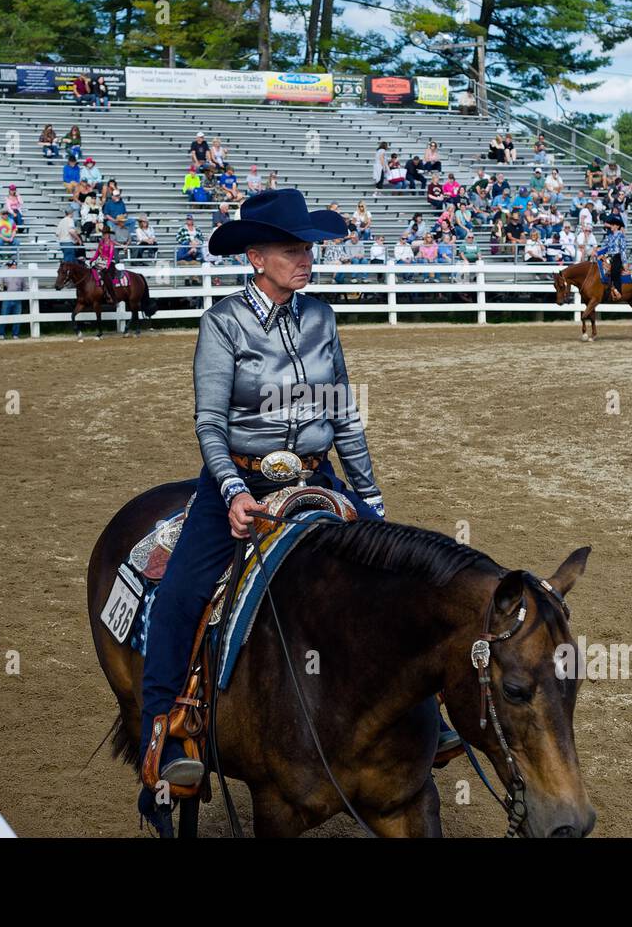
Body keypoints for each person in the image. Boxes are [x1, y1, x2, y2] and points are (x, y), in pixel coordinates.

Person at [136, 188, 398, 828]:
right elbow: (209, 424)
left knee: (391, 581)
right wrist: (230, 494)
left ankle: (420, 723)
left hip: (316, 476)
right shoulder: (223, 323)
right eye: (291, 249)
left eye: (307, 247)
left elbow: (343, 416)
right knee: (183, 593)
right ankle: (163, 737)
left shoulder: (321, 318)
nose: (305, 259)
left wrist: (370, 499)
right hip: (242, 483)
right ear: (256, 257)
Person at [595, 214, 629, 301]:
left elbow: (623, 250)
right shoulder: (609, 237)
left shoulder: (621, 236)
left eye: (613, 225)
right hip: (609, 256)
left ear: (617, 226)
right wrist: (597, 252)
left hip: (617, 256)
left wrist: (624, 263)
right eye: (611, 224)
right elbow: (606, 248)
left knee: (615, 271)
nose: (611, 226)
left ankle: (618, 291)